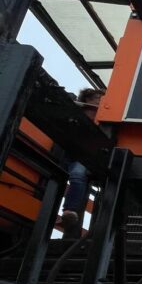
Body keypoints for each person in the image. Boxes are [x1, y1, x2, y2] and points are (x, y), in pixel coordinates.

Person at [60, 88, 103, 238]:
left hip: (87, 156)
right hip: (72, 153)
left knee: (78, 175)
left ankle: (70, 212)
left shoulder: (102, 117)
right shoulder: (77, 112)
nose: (99, 100)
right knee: (77, 174)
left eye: (101, 97)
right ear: (87, 99)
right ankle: (69, 211)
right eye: (97, 97)